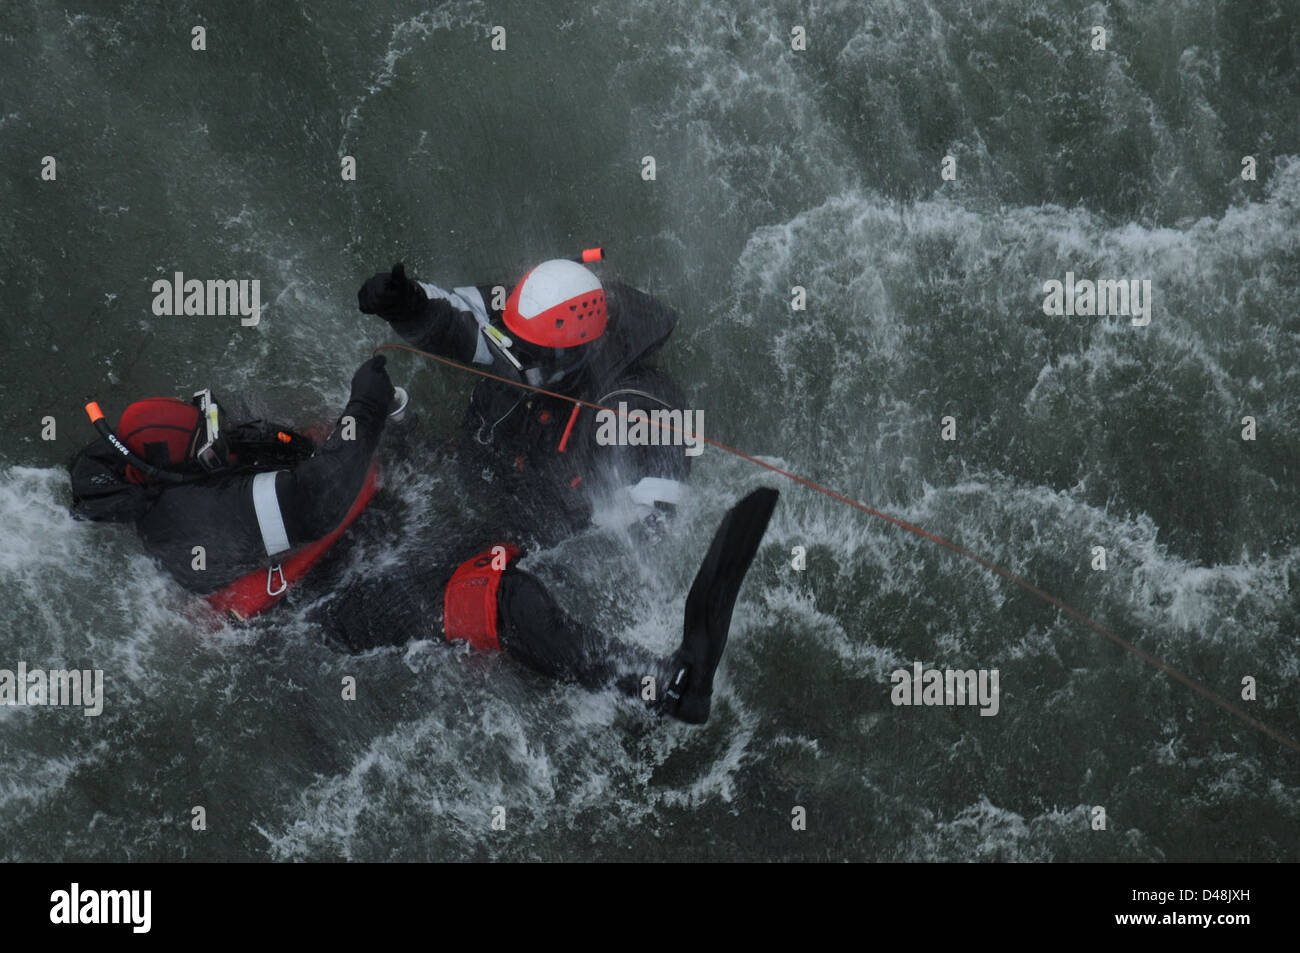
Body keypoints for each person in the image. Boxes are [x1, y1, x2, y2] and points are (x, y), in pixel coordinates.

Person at [313, 487, 779, 724]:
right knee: (581, 653)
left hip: (502, 607)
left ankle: (679, 685)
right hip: (505, 590)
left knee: (593, 660)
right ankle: (669, 684)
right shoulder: (378, 582)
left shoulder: (340, 622)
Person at [357, 256, 692, 531]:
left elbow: (651, 528)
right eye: (511, 340)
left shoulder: (635, 407)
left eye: (530, 354)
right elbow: (458, 320)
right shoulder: (527, 328)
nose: (513, 356)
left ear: (574, 352)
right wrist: (407, 305)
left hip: (527, 532)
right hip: (476, 480)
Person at [68, 356, 397, 620]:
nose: (222, 444)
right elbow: (318, 503)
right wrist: (365, 407)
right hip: (261, 615)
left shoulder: (137, 463)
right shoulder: (205, 512)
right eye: (211, 452)